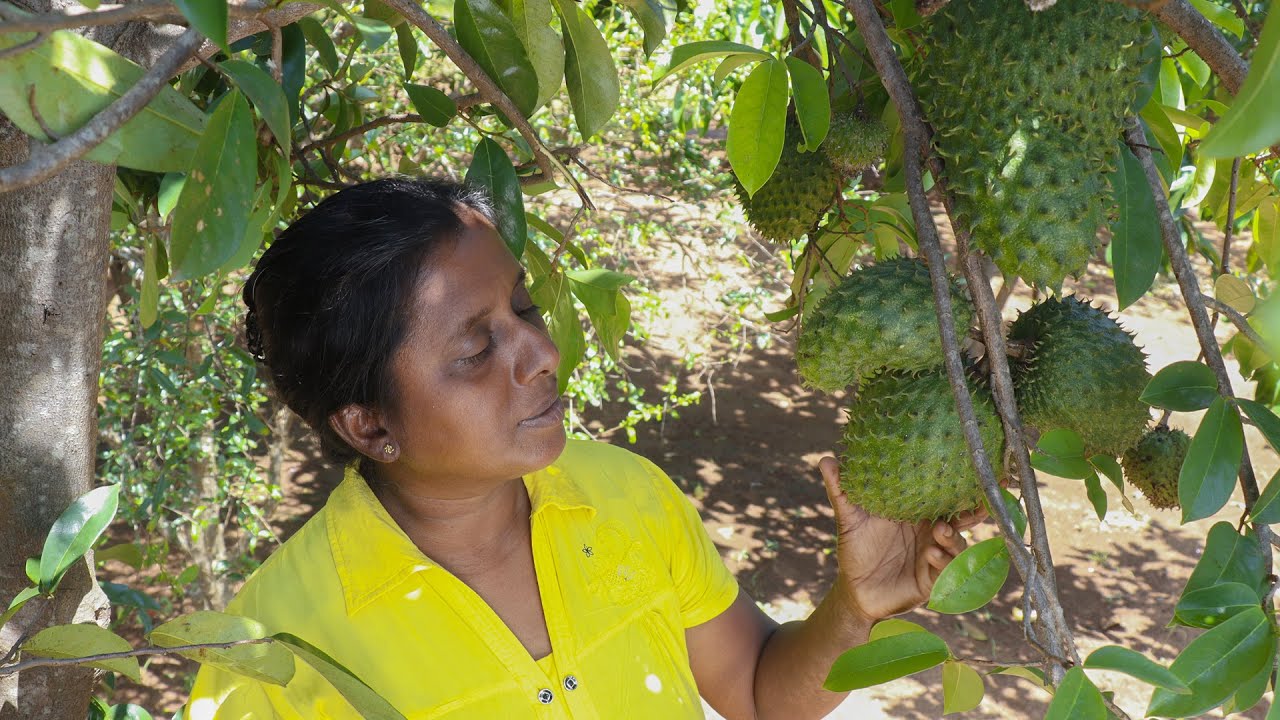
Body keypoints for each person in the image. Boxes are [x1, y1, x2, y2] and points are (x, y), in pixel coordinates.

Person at [185, 178, 982, 719]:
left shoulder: (625, 496)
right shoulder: (275, 648)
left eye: (524, 310)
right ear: (369, 426)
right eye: (474, 351)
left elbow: (756, 690)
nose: (542, 352)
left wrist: (856, 607)